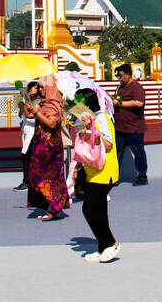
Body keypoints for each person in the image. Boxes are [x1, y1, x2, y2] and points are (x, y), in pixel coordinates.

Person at [74, 90, 120, 262]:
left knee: (90, 208)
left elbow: (108, 145)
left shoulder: (101, 118)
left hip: (105, 170)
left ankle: (111, 242)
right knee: (99, 209)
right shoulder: (89, 121)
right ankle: (103, 247)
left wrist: (92, 129)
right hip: (92, 169)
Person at [28, 72, 70, 220]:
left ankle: (55, 207)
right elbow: (29, 115)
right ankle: (52, 207)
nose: (40, 89)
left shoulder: (54, 105)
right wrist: (26, 101)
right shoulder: (43, 103)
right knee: (39, 175)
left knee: (44, 176)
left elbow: (51, 124)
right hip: (41, 145)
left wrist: (37, 113)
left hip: (50, 147)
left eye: (42, 86)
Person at [113, 63, 149, 185]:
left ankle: (142, 176)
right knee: (116, 153)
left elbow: (139, 103)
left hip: (134, 128)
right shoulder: (120, 87)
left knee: (138, 153)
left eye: (120, 75)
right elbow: (117, 100)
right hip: (119, 128)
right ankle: (114, 176)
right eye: (117, 75)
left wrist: (120, 104)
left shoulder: (136, 87)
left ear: (128, 74)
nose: (119, 78)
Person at [14, 80, 40, 191]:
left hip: (34, 131)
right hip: (26, 130)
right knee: (26, 156)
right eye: (33, 87)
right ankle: (27, 180)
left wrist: (24, 104)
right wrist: (21, 104)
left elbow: (29, 115)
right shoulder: (27, 100)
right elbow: (22, 114)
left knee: (28, 156)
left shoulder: (39, 101)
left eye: (37, 88)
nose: (36, 89)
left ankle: (28, 182)